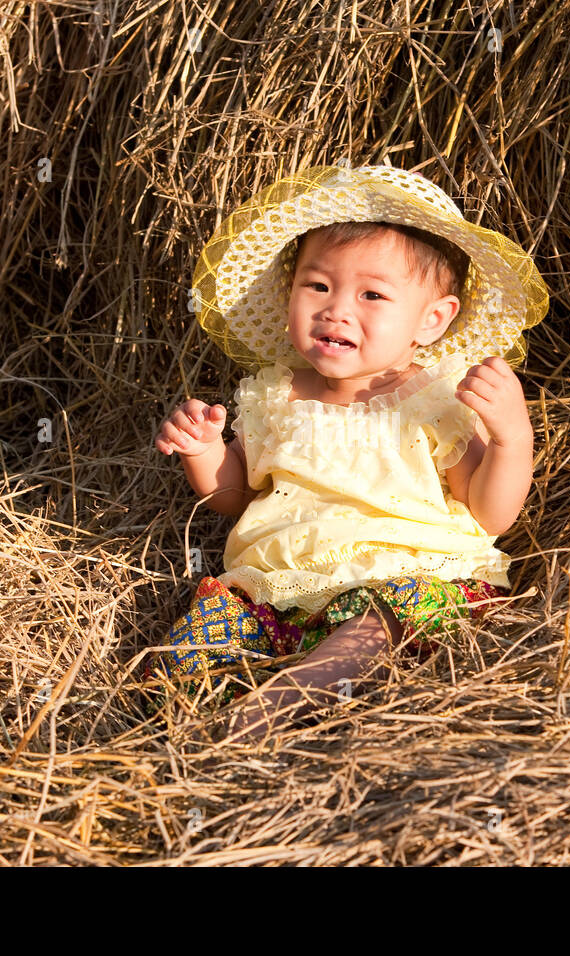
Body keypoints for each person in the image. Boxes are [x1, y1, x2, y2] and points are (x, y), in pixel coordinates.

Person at [150, 163, 549, 743]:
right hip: (277, 585)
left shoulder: (433, 400)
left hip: (403, 575)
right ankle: (236, 709)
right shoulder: (272, 396)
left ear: (432, 321)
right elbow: (233, 498)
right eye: (318, 286)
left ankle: (282, 701)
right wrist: (204, 448)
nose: (337, 309)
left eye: (372, 295)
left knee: (375, 624)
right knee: (194, 645)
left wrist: (512, 438)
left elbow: (490, 514)